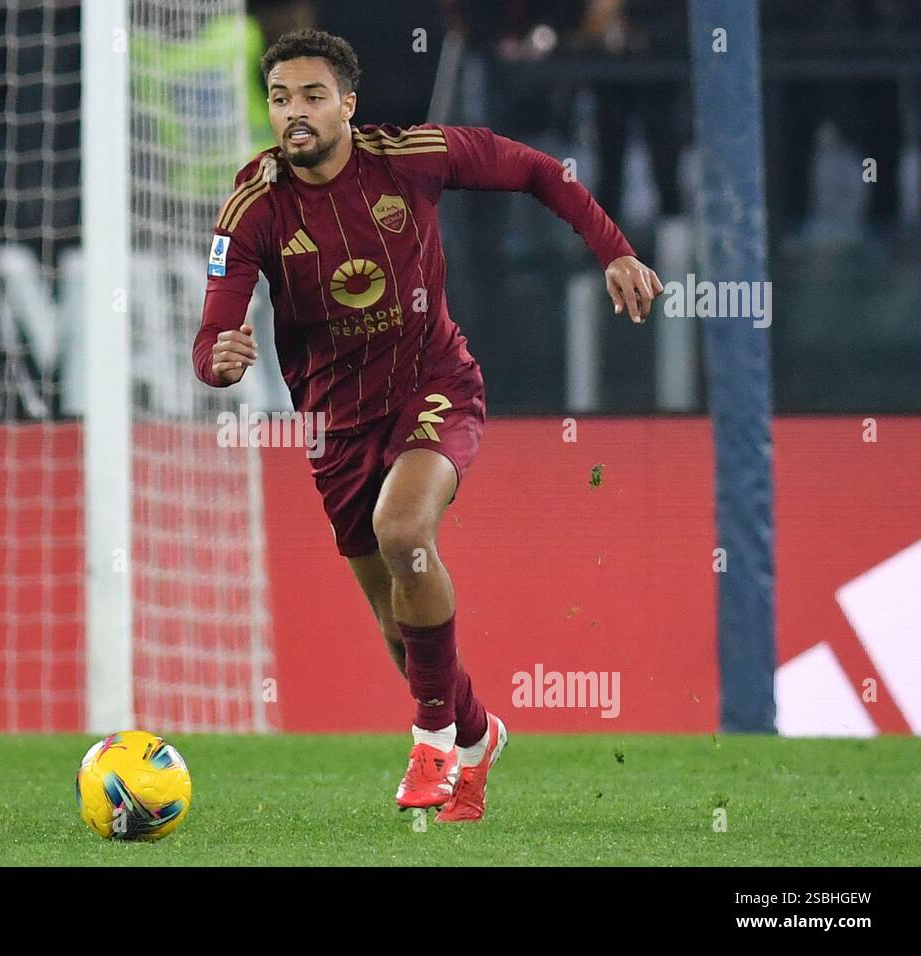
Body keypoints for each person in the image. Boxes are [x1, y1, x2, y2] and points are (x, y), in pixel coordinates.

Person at [193, 29, 661, 820]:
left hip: (434, 387)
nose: (294, 114)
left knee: (405, 529)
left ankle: (433, 743)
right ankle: (476, 735)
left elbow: (540, 172)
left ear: (348, 103)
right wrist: (221, 361)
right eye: (280, 99)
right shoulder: (253, 206)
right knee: (398, 630)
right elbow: (212, 337)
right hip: (335, 426)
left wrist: (612, 249)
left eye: (312, 97)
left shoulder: (410, 156)